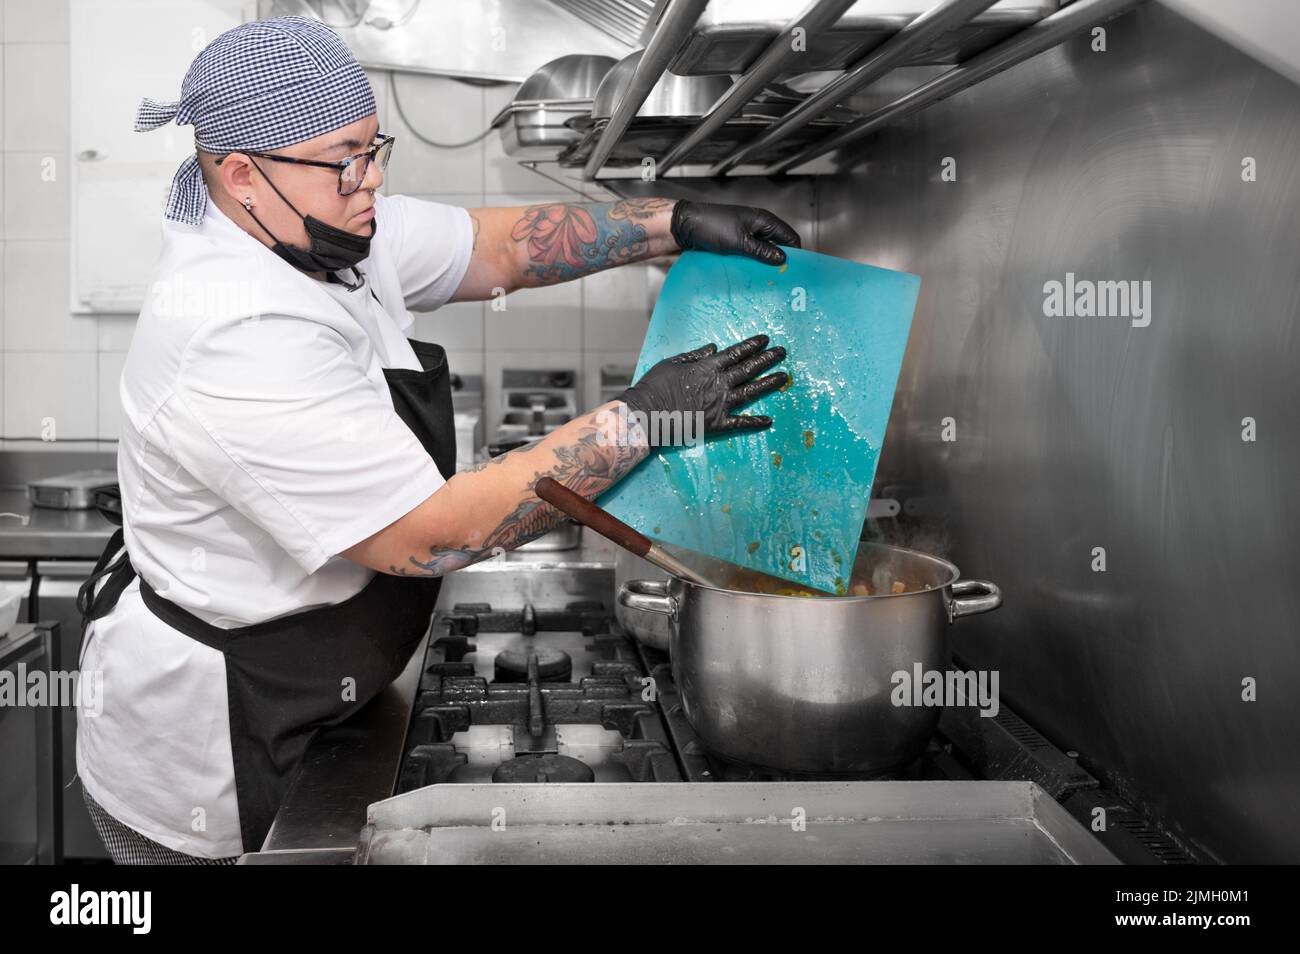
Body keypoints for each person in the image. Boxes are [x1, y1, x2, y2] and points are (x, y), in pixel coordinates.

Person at [76, 16, 797, 863]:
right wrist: (644, 417)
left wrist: (670, 222)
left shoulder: (325, 227)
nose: (372, 179)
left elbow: (498, 248)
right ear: (242, 176)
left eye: (374, 147)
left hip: (318, 691)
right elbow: (432, 535)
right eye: (347, 160)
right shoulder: (232, 324)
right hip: (214, 757)